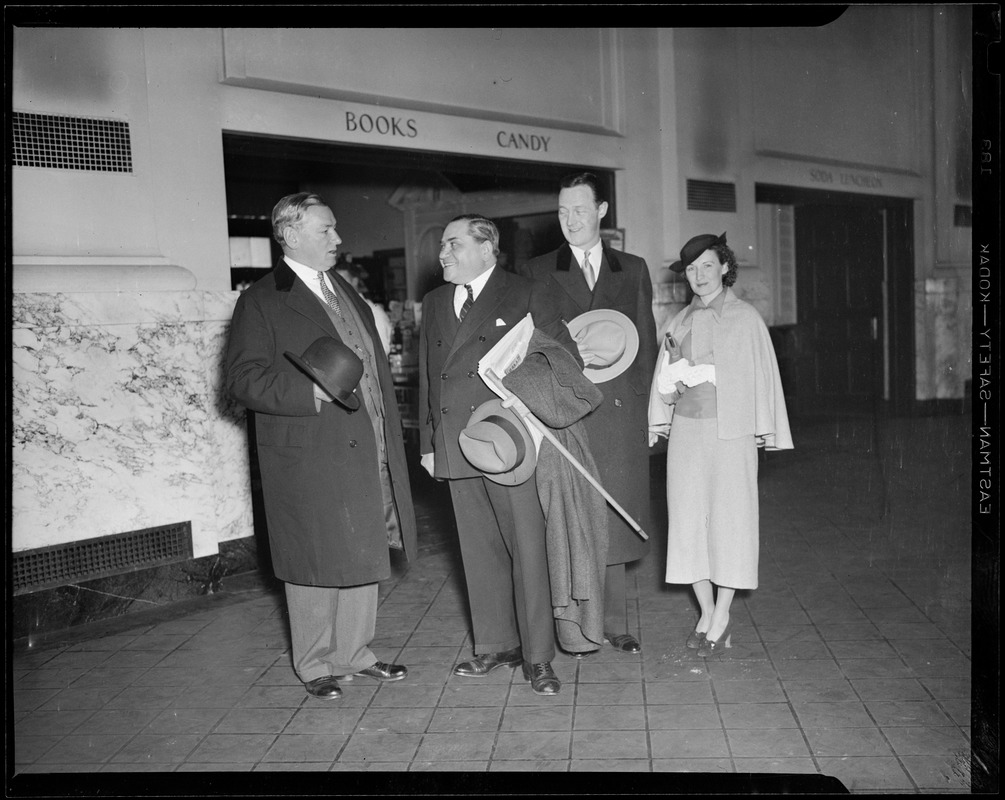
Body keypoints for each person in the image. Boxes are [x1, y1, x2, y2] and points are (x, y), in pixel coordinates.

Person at [226, 192, 417, 699]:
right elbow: (243, 379)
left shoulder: (345, 291)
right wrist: (304, 391)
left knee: (362, 546)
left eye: (335, 229)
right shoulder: (262, 299)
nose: (338, 239)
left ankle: (356, 654)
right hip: (309, 448)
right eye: (325, 230)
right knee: (312, 556)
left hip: (364, 442)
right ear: (290, 235)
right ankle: (314, 664)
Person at [418, 213, 582, 695]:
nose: (443, 254)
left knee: (527, 548)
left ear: (488, 248)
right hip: (457, 439)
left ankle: (537, 657)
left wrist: (520, 392)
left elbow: (561, 357)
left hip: (510, 441)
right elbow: (430, 377)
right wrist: (429, 444)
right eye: (443, 245)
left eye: (454, 244)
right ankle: (496, 645)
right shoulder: (432, 302)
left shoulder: (526, 291)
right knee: (477, 548)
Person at [519, 172, 657, 655]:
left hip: (620, 413)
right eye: (562, 212)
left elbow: (646, 344)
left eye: (579, 210)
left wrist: (650, 413)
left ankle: (613, 622)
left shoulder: (633, 268)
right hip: (568, 407)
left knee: (615, 516)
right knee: (571, 517)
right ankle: (575, 626)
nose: (570, 220)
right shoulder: (537, 269)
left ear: (601, 211)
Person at [648, 232, 793, 657]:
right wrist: (667, 393)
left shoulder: (746, 319)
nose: (698, 276)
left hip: (731, 435)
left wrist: (763, 426)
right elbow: (664, 387)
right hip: (687, 437)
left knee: (732, 523)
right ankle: (706, 612)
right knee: (688, 521)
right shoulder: (678, 323)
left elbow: (763, 378)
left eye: (707, 266)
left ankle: (723, 613)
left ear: (725, 268)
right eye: (691, 269)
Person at [335, 258, 394, 357]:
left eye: (342, 280)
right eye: (335, 282)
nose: (338, 286)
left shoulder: (373, 312)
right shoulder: (337, 310)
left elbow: (381, 352)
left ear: (355, 281)